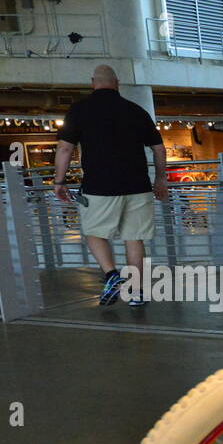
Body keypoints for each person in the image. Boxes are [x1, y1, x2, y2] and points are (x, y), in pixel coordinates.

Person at [52, 65, 168, 306]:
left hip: (99, 186)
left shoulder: (79, 110)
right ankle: (136, 294)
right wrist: (160, 178)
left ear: (93, 82)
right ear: (117, 83)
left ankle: (112, 274)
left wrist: (59, 180)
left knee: (93, 232)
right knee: (134, 239)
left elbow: (65, 147)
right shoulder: (136, 110)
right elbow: (158, 147)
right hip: (138, 185)